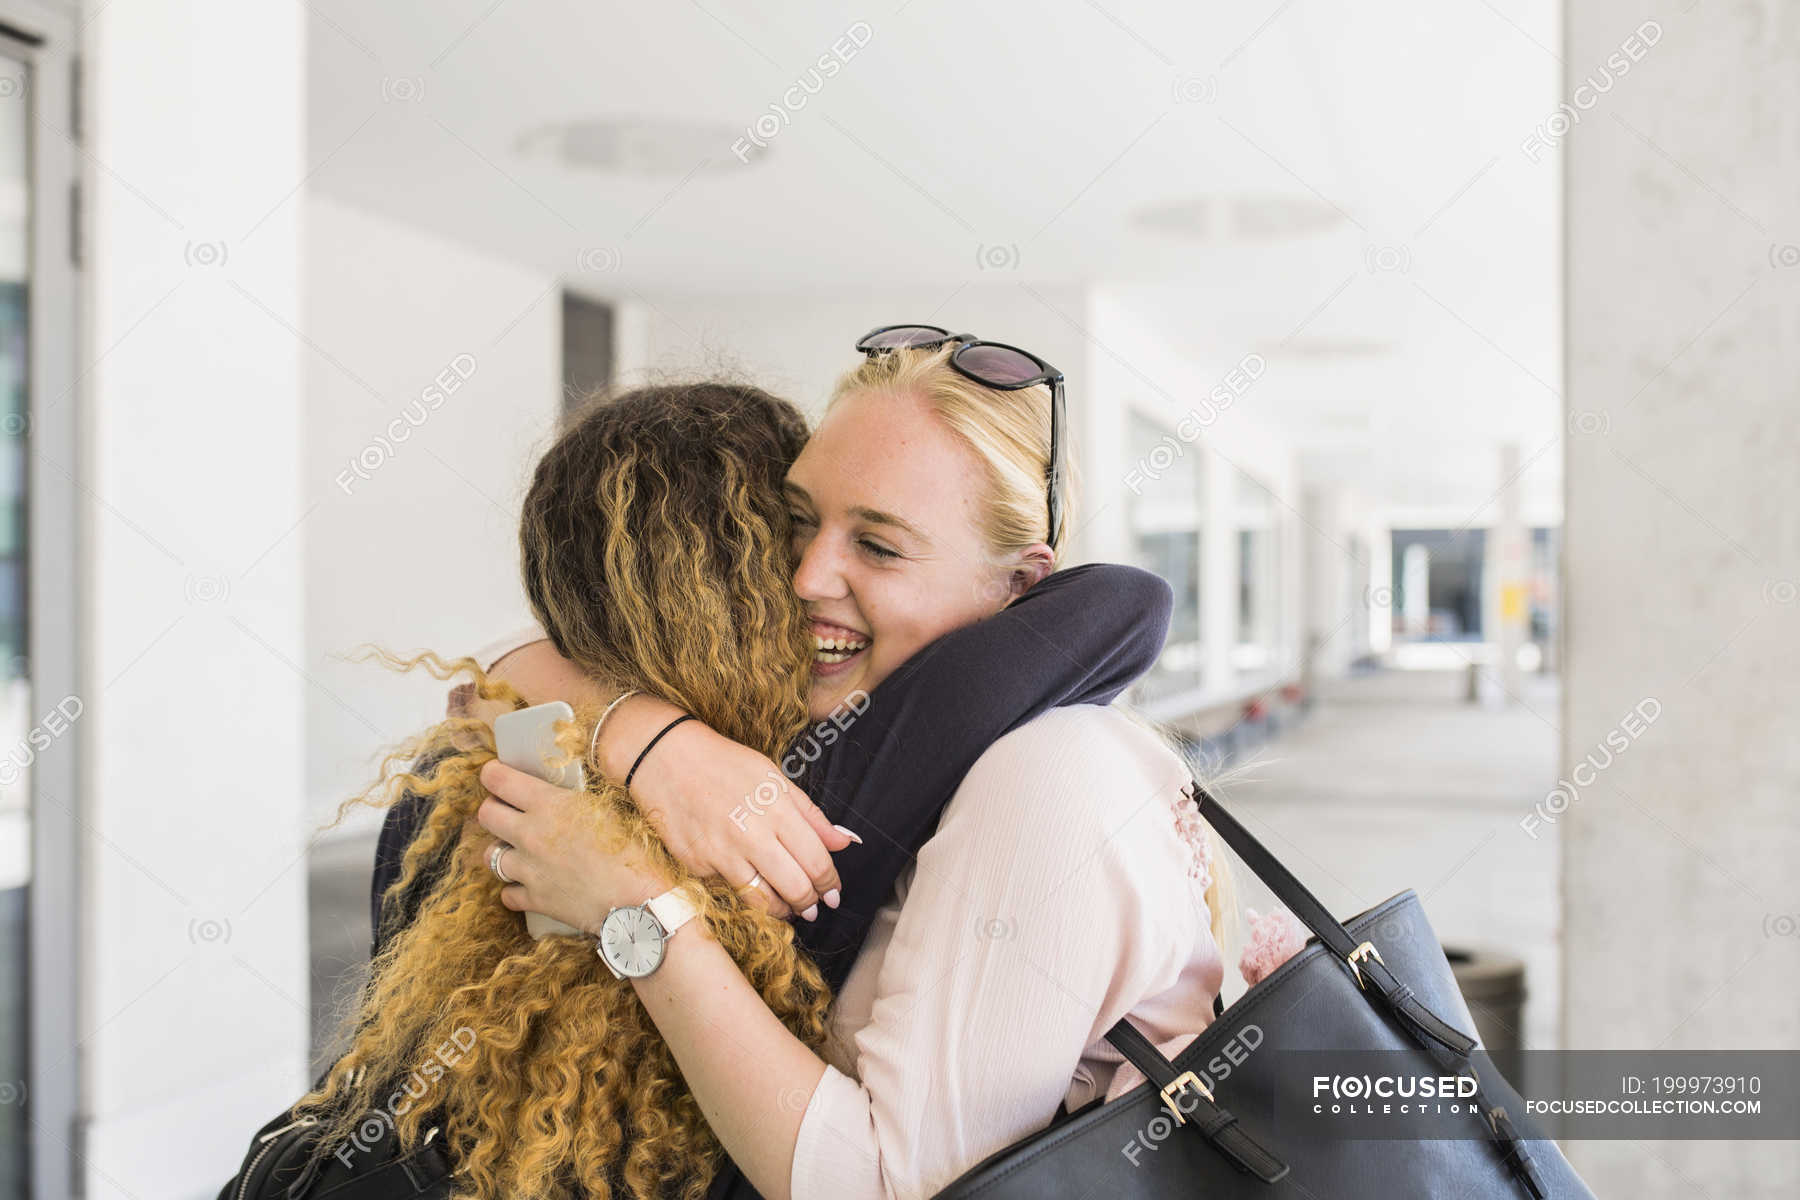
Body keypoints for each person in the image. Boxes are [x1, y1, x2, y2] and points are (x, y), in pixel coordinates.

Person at [476, 331, 1232, 1200]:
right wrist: (651, 741)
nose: (803, 575)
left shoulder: (1050, 778)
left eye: (877, 546)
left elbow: (884, 1189)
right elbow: (493, 673)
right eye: (798, 522)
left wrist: (635, 906)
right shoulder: (867, 732)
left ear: (1020, 589)